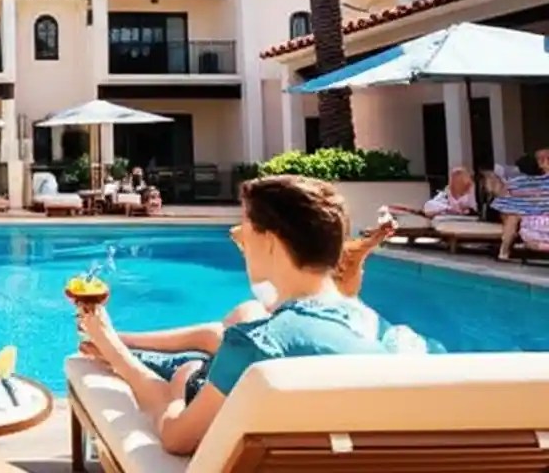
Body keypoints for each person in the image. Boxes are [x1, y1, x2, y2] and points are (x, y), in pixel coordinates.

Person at [77, 175, 407, 456]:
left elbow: (176, 437)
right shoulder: (379, 331)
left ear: (271, 243)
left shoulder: (257, 345)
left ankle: (121, 351)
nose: (240, 239)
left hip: (213, 408)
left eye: (245, 230)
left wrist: (149, 374)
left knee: (185, 371)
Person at [493, 148, 549, 260]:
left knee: (514, 215)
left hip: (535, 224)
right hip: (535, 223)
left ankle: (504, 251)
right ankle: (504, 250)